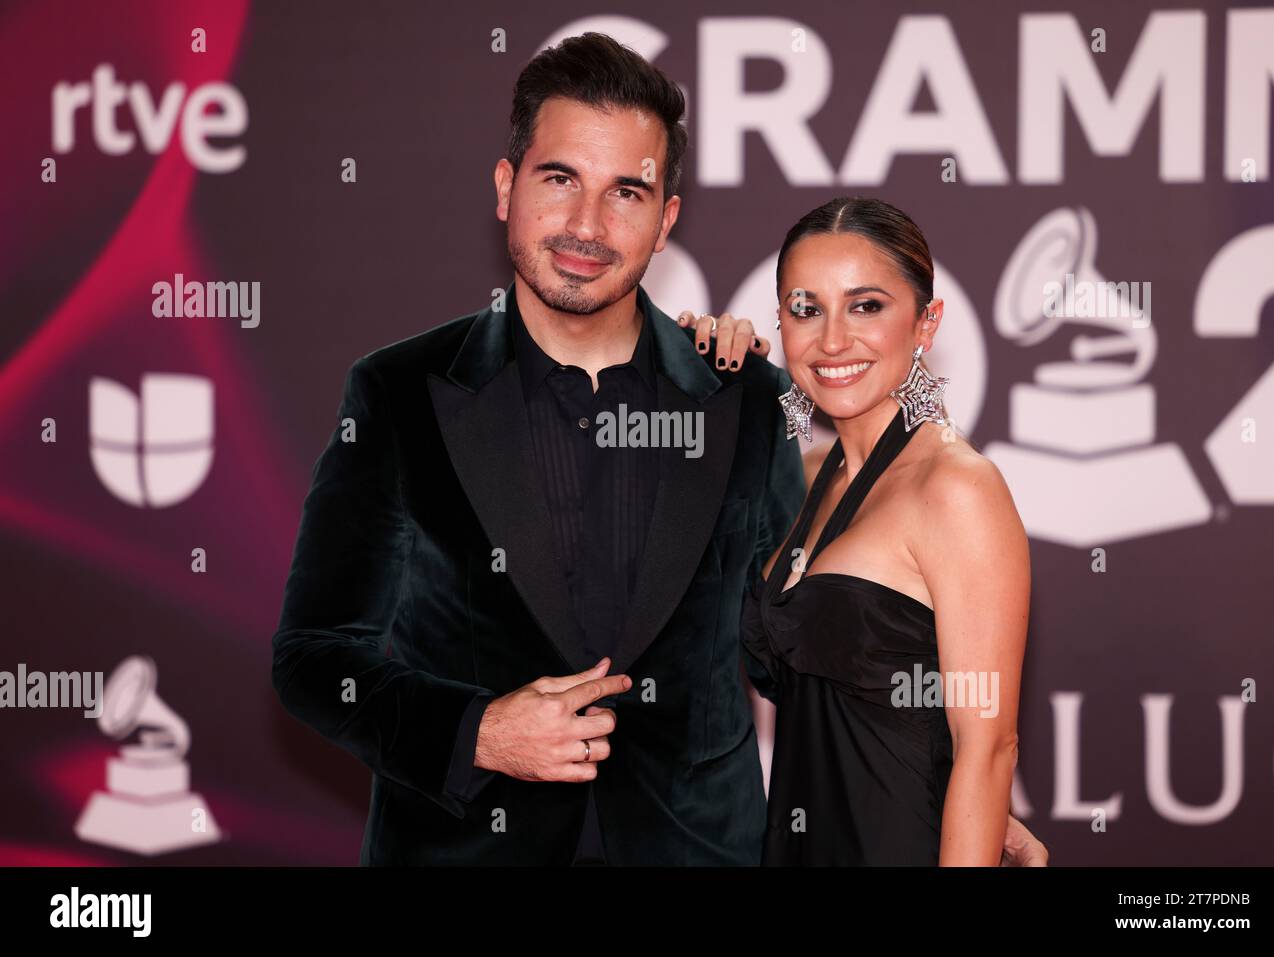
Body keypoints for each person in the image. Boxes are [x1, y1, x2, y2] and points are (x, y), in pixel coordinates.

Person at [271, 32, 1046, 866]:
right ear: (505, 186)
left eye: (628, 192)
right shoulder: (398, 392)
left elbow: (814, 642)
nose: (587, 225)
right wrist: (479, 732)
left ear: (667, 219)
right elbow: (313, 659)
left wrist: (961, 791)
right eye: (559, 178)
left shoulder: (745, 399)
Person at [679, 197, 1030, 865]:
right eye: (806, 309)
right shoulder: (806, 476)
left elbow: (988, 750)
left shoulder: (956, 489)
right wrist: (686, 365)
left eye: (866, 305)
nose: (833, 340)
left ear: (926, 323)